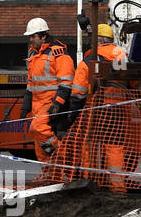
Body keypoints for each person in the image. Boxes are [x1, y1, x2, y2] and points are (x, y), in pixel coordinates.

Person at [49, 22, 124, 136]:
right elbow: (140, 84)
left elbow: (78, 93)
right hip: (123, 110)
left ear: (100, 41)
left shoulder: (90, 61)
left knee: (93, 146)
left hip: (97, 113)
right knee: (117, 144)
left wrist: (72, 117)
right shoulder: (123, 58)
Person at [23, 17, 75, 159]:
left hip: (50, 103)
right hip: (37, 105)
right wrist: (25, 106)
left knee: (38, 128)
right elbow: (31, 82)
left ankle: (62, 156)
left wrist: (57, 104)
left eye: (33, 36)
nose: (30, 40)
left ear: (43, 36)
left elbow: (66, 83)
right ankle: (48, 175)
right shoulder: (33, 53)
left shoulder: (59, 53)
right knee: (38, 141)